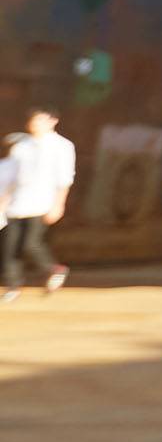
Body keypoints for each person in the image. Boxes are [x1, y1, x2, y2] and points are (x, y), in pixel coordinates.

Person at [2, 109, 76, 300]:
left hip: (42, 201)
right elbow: (10, 175)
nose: (35, 124)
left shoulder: (62, 146)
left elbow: (64, 178)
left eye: (40, 120)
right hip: (16, 203)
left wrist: (58, 204)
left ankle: (53, 270)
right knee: (10, 247)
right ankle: (13, 286)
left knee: (30, 244)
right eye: (33, 120)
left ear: (53, 121)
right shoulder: (22, 145)